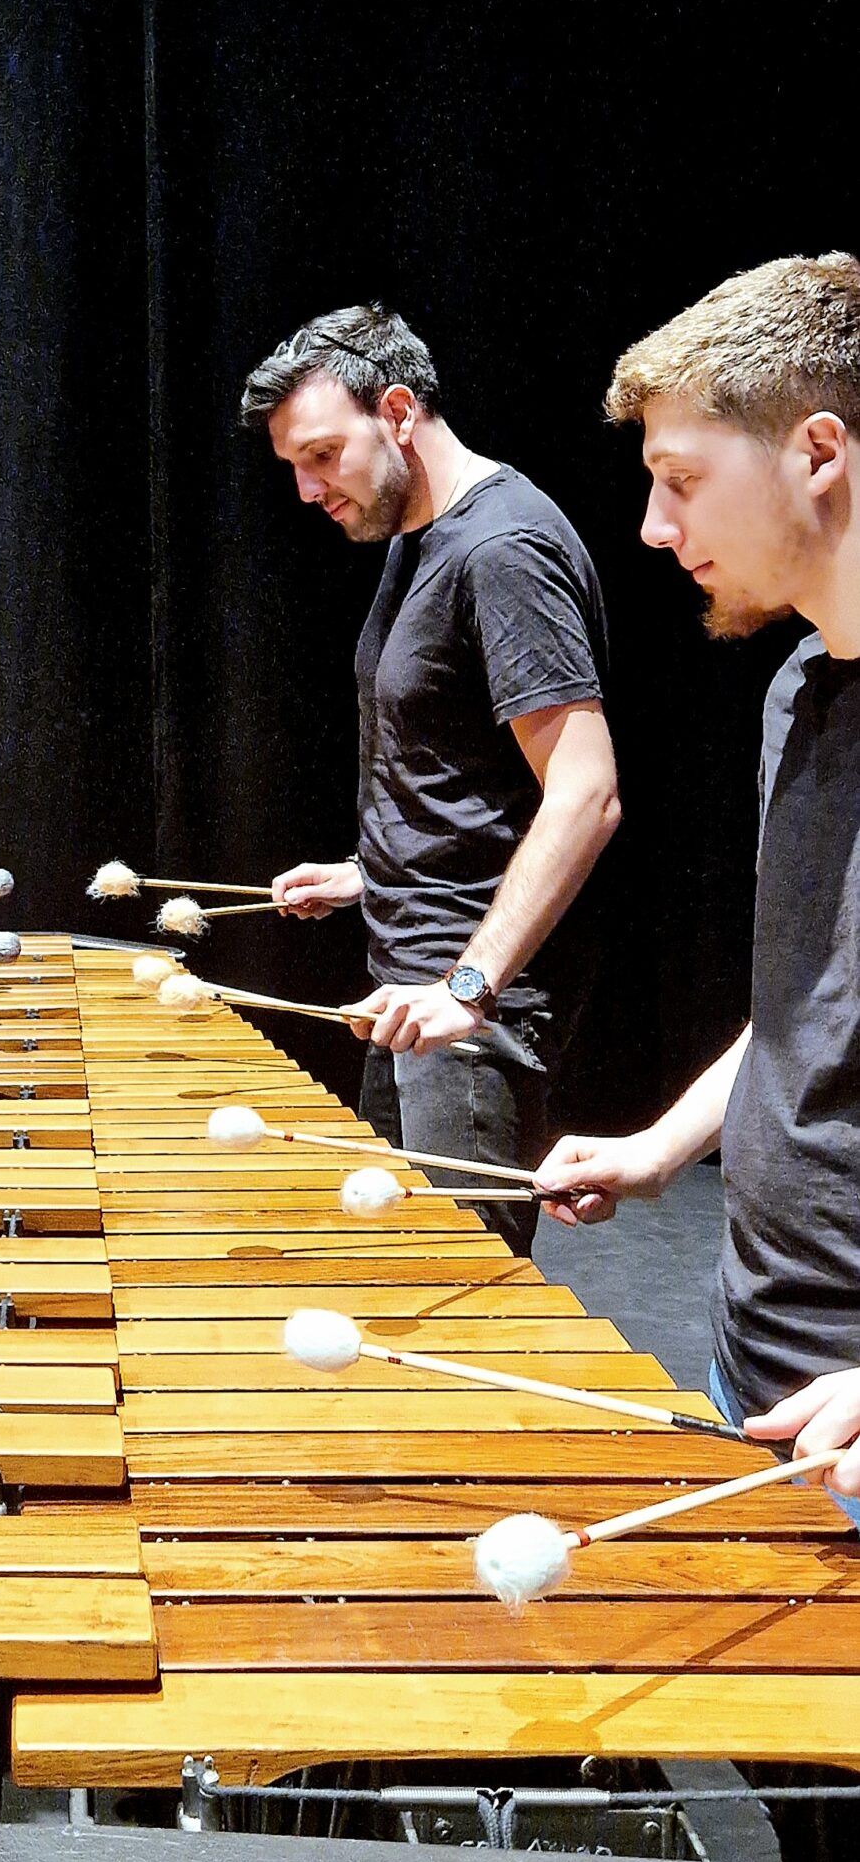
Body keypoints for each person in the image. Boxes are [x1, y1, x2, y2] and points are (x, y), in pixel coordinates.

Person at [534, 253, 860, 1521]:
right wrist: (662, 1146)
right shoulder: (798, 694)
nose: (655, 529)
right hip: (759, 1356)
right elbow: (806, 1010)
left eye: (681, 483)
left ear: (817, 452)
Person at [239, 303, 620, 1248]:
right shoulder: (417, 534)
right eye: (293, 464)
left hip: (468, 1005)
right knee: (395, 1270)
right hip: (410, 981)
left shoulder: (502, 550)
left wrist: (470, 986)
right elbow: (478, 779)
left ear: (398, 410)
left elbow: (585, 792)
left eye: (323, 455)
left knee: (466, 1297)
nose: (306, 489)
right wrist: (372, 871)